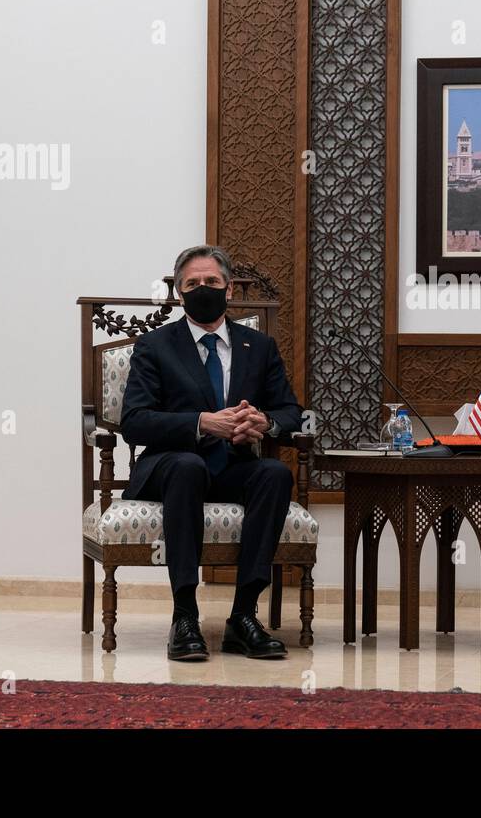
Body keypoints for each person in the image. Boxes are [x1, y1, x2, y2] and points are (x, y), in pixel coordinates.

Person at [121, 245, 302, 661]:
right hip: (172, 466)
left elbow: (291, 412)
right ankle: (184, 615)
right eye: (193, 284)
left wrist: (265, 423)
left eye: (212, 283)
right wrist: (201, 422)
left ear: (230, 289)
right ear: (179, 293)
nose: (203, 289)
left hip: (233, 465)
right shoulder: (155, 346)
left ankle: (243, 617)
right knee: (187, 466)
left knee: (274, 473)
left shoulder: (258, 346)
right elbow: (135, 419)